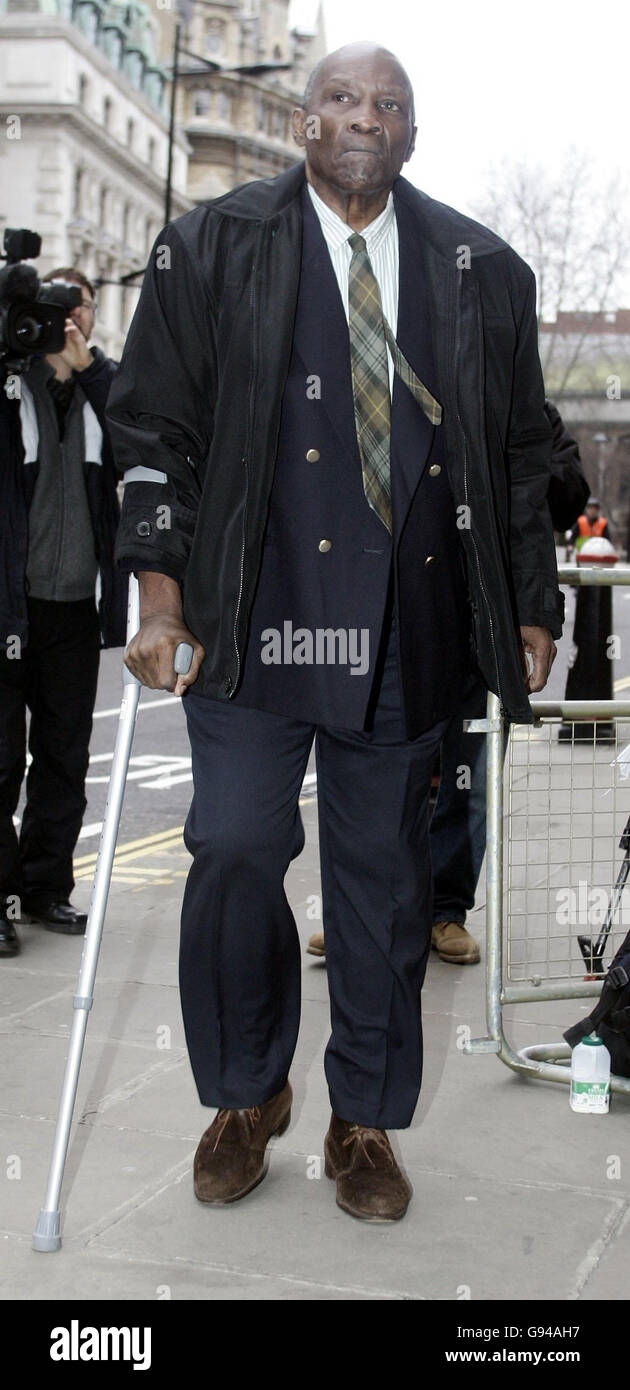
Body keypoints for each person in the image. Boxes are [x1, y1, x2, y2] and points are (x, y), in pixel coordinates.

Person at [107, 43, 563, 1224]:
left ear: (413, 135)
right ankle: (248, 1094)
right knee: (238, 849)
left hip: (409, 622)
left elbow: (520, 460)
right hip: (253, 619)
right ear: (301, 121)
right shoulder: (211, 246)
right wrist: (159, 593)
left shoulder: (483, 269)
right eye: (343, 100)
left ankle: (363, 1116)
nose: (366, 119)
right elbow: (153, 427)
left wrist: (525, 604)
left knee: (384, 884)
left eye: (390, 107)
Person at [308, 399, 589, 966]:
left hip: (476, 628)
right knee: (373, 776)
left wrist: (508, 466)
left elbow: (568, 497)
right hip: (394, 615)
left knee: (468, 777)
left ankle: (445, 911)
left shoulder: (526, 411)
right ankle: (361, 913)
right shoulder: (409, 390)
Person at [0, 269, 126, 958]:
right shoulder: (8, 386)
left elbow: (145, 444)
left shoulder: (102, 391)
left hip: (74, 609)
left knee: (64, 760)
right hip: (7, 609)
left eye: (81, 309)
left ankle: (46, 887)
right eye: (57, 310)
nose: (70, 321)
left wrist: (92, 370)